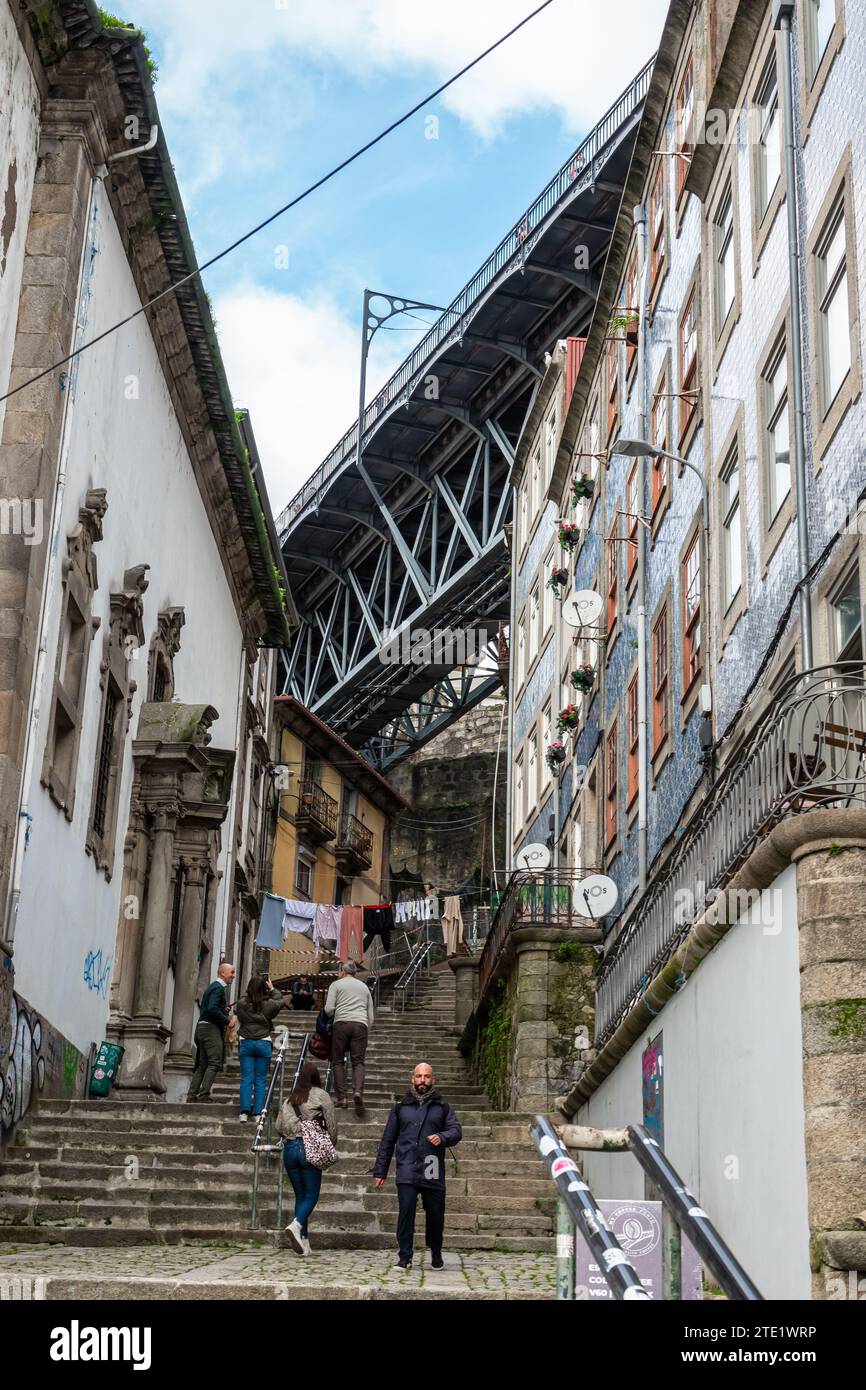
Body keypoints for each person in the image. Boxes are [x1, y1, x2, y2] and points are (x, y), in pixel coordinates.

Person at [372, 1061, 462, 1270]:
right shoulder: (400, 1107)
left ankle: (436, 1252)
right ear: (412, 1078)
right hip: (407, 1165)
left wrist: (443, 1136)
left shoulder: (443, 1107)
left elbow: (456, 1131)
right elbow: (388, 1140)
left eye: (427, 1076)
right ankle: (405, 1257)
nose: (423, 1080)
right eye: (419, 1076)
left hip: (432, 1166)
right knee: (406, 1213)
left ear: (433, 1079)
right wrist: (380, 1170)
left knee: (435, 1214)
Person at [276, 1060, 337, 1256]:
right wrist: (329, 1144)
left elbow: (278, 1126)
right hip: (309, 1149)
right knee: (312, 1195)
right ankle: (296, 1225)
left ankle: (304, 1243)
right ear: (316, 1077)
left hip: (290, 1150)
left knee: (301, 1196)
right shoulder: (321, 1095)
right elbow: (332, 1124)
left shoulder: (289, 1099)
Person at [323, 959, 374, 1114]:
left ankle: (342, 1098)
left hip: (342, 1024)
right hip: (360, 1025)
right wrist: (366, 1027)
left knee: (337, 1060)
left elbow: (329, 1009)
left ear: (342, 972)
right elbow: (370, 1014)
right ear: (355, 973)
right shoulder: (364, 987)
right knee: (358, 1062)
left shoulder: (336, 985)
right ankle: (357, 1092)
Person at [234, 974, 285, 1121]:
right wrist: (272, 988)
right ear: (264, 989)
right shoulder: (269, 1005)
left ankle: (244, 1113)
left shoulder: (242, 1004)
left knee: (246, 1078)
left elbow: (244, 998)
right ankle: (257, 1113)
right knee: (260, 1080)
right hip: (263, 1042)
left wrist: (251, 990)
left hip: (246, 1041)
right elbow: (279, 1000)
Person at [186, 960, 236, 1103]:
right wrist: (228, 1020)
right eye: (231, 972)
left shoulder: (213, 987)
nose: (233, 975)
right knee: (214, 1062)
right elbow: (212, 1009)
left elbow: (211, 1007)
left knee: (203, 1065)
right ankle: (203, 1095)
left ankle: (192, 1095)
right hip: (210, 1029)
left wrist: (223, 1010)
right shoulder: (218, 988)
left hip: (202, 1027)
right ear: (222, 973)